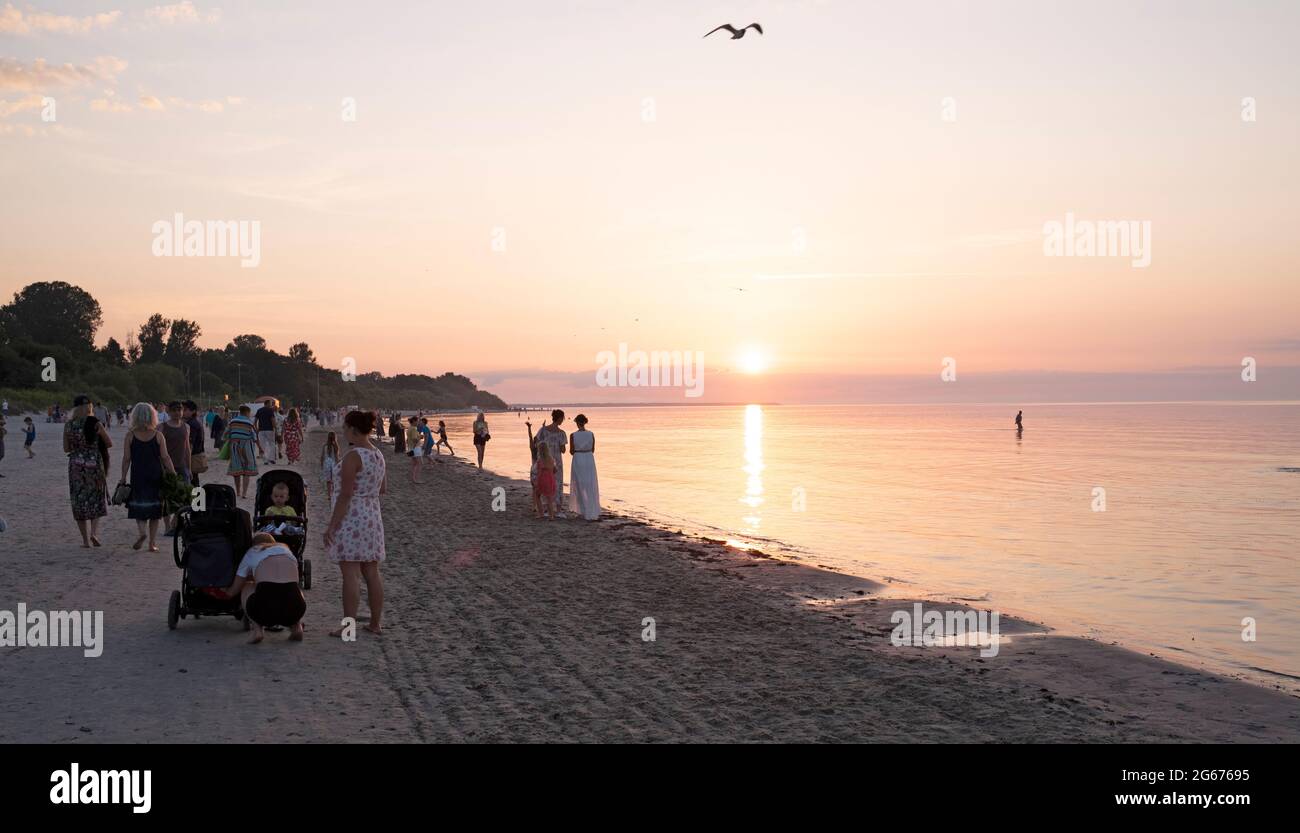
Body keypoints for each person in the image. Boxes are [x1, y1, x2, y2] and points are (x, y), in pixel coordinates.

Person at [324, 410, 386, 638]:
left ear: (352, 428)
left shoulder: (353, 456)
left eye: (344, 427)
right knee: (371, 571)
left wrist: (331, 526)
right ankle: (375, 623)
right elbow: (383, 488)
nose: (343, 431)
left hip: (352, 517)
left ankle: (348, 627)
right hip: (372, 515)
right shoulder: (377, 454)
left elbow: (346, 495)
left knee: (350, 573)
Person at [224, 533, 306, 644]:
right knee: (292, 588)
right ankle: (297, 627)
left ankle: (257, 630)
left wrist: (223, 592)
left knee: (247, 585)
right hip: (295, 610)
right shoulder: (287, 551)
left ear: (254, 544)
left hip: (264, 611)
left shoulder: (252, 552)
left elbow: (234, 590)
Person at [119, 402, 177, 552]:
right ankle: (152, 543)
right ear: (153, 416)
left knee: (139, 506)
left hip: (138, 475)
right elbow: (165, 457)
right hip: (155, 475)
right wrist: (173, 473)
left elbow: (126, 458)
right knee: (155, 510)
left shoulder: (130, 435)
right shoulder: (158, 435)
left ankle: (142, 533)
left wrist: (123, 477)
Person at [65, 395, 112, 547]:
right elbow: (109, 443)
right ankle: (94, 533)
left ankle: (85, 541)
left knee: (79, 501)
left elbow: (66, 448)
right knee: (96, 498)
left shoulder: (69, 425)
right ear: (90, 407)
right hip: (94, 465)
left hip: (76, 466)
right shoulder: (95, 423)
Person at [160, 402, 192, 536]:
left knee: (185, 497)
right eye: (174, 410)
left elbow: (187, 449)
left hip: (182, 466)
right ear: (168, 411)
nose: (177, 413)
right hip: (166, 467)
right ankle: (167, 527)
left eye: (179, 410)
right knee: (166, 498)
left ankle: (175, 522)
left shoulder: (186, 427)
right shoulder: (162, 427)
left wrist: (189, 468)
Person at [533, 409, 567, 517]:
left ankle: (546, 509)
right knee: (557, 484)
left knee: (544, 482)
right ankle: (558, 510)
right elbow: (563, 450)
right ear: (560, 418)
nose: (563, 420)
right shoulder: (562, 433)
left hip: (544, 460)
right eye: (563, 418)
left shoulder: (543, 430)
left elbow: (536, 441)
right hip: (556, 462)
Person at [568, 414, 600, 521]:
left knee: (579, 483)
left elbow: (571, 451)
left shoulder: (573, 435)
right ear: (585, 422)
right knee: (590, 483)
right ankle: (590, 508)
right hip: (589, 458)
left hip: (578, 458)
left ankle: (582, 509)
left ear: (577, 423)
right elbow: (593, 449)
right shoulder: (591, 434)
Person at [225, 405, 259, 499]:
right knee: (246, 471)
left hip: (235, 447)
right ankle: (244, 493)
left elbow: (226, 433)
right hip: (247, 448)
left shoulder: (232, 421)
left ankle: (238, 492)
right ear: (247, 412)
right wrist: (260, 448)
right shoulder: (249, 422)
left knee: (237, 471)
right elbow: (254, 437)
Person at [183, 400, 205, 488]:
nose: (182, 412)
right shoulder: (196, 422)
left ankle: (196, 501)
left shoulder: (192, 424)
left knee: (192, 481)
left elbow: (190, 444)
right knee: (194, 480)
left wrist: (186, 459)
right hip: (195, 455)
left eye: (185, 410)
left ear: (193, 411)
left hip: (192, 457)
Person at [534, 442, 557, 519]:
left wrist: (536, 482)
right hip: (550, 479)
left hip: (542, 479)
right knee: (549, 498)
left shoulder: (540, 461)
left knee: (537, 495)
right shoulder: (551, 459)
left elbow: (538, 472)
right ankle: (551, 516)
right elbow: (555, 470)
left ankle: (541, 514)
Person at [320, 431, 340, 503]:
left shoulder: (325, 446)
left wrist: (322, 465)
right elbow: (337, 457)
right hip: (333, 464)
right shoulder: (336, 446)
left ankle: (329, 495)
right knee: (334, 480)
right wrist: (338, 465)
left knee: (328, 481)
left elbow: (322, 456)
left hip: (327, 464)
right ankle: (334, 493)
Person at [405, 417, 423, 483]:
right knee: (420, 463)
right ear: (414, 421)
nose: (418, 423)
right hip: (416, 448)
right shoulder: (414, 429)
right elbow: (414, 439)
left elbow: (408, 440)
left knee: (414, 464)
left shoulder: (409, 428)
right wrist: (420, 437)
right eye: (417, 421)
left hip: (411, 447)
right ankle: (416, 479)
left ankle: (413, 478)